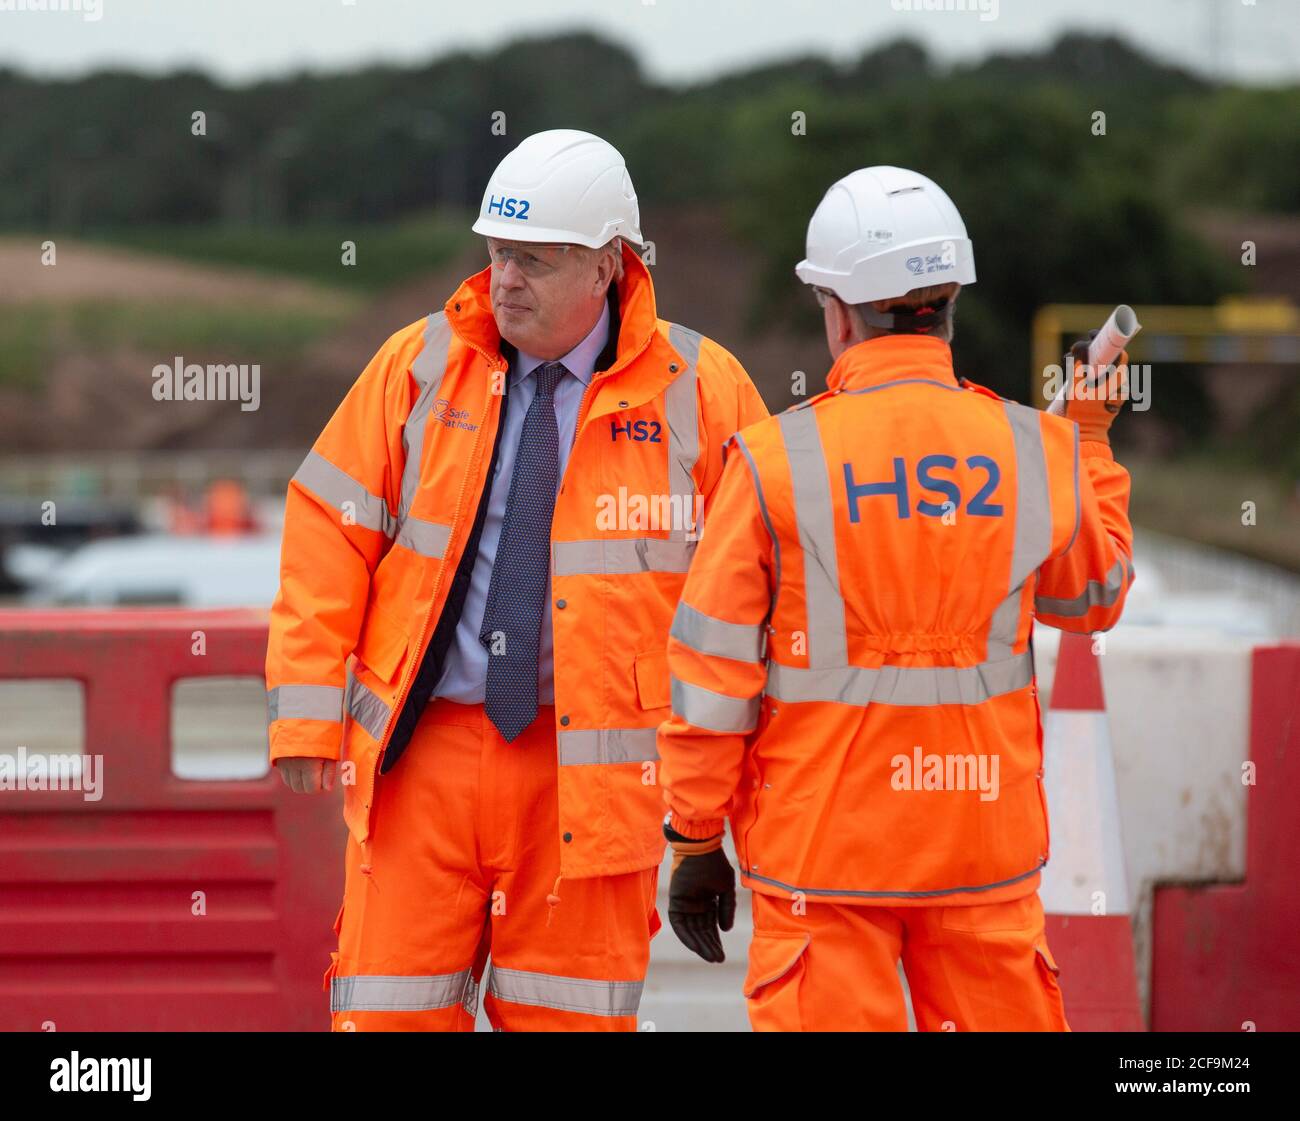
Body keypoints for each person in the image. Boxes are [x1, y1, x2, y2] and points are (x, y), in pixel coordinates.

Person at [265, 129, 768, 1031]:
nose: (504, 282)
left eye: (533, 261)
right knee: (387, 1015)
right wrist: (307, 712)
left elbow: (756, 593)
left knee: (569, 1020)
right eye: (497, 254)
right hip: (425, 759)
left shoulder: (703, 391)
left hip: (591, 778)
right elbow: (327, 531)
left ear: (609, 266)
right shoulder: (418, 368)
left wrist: (720, 803)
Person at [656, 165, 1134, 1031]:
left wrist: (695, 837)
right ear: (948, 299)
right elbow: (1095, 596)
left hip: (822, 867)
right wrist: (1088, 440)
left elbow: (713, 674)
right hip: (983, 858)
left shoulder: (772, 461)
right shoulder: (1036, 451)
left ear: (838, 311)